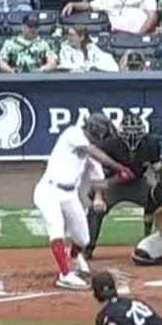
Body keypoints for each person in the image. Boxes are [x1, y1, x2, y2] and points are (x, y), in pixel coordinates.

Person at [34, 113, 134, 289]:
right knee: (57, 230)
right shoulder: (73, 134)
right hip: (49, 191)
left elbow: (99, 182)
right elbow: (95, 153)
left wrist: (116, 181)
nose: (104, 137)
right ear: (96, 130)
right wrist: (119, 167)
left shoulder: (91, 153)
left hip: (70, 195)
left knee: (83, 239)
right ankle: (65, 275)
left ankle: (73, 258)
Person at [84, 111, 162, 258]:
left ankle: (155, 242)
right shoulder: (110, 145)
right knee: (96, 210)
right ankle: (88, 246)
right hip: (114, 183)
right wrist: (98, 196)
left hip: (138, 183)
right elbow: (96, 170)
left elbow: (157, 168)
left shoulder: (151, 144)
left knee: (160, 201)